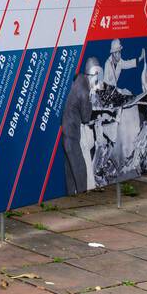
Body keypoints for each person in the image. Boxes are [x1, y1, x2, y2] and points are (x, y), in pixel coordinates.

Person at [61, 57, 102, 194]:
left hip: (66, 137)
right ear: (93, 74)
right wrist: (92, 98)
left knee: (70, 179)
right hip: (73, 140)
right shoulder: (85, 92)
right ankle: (84, 206)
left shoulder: (79, 80)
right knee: (81, 177)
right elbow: (86, 118)